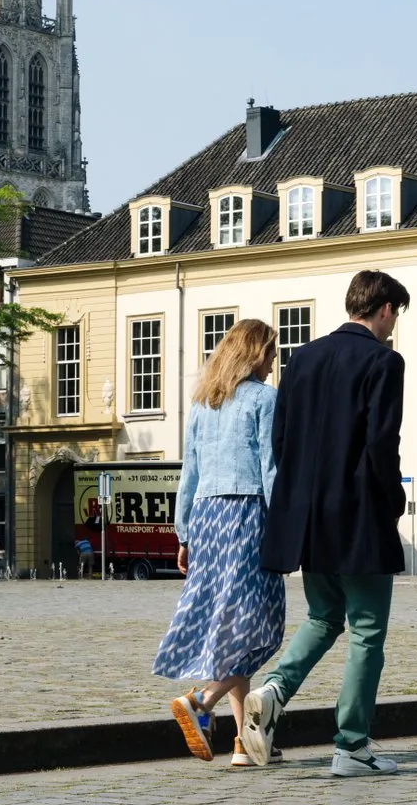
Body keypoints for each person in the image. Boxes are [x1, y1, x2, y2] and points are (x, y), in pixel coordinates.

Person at [241, 270, 410, 778]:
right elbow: (382, 444)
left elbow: (281, 443)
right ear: (382, 309)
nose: (393, 325)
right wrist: (394, 499)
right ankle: (352, 746)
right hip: (359, 517)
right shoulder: (384, 361)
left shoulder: (301, 360)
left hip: (309, 519)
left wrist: (296, 505)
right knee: (366, 629)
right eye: (395, 314)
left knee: (322, 617)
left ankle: (273, 691)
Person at [153, 318, 287, 768]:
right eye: (270, 353)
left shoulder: (201, 406)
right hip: (248, 514)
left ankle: (243, 744)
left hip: (208, 520)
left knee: (231, 626)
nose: (273, 363)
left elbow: (187, 474)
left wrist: (184, 533)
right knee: (261, 626)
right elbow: (271, 470)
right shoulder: (265, 400)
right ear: (253, 354)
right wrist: (285, 529)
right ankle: (203, 702)